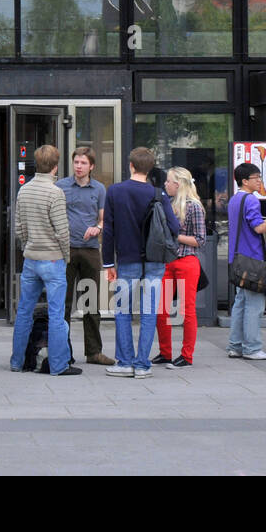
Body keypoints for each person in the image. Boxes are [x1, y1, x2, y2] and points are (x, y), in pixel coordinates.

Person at [102, 147, 181, 378]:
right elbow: (174, 228)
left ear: (131, 165)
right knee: (149, 313)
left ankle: (124, 362)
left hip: (127, 261)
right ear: (150, 168)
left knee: (123, 311)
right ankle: (142, 364)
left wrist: (108, 263)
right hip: (155, 262)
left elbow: (108, 231)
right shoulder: (159, 194)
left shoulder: (115, 191)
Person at [10, 145, 81, 378]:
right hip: (52, 259)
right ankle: (59, 364)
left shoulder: (25, 190)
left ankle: (17, 361)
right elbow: (62, 231)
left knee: (23, 311)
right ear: (55, 166)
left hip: (31, 257)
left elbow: (19, 227)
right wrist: (65, 256)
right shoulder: (55, 192)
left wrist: (30, 244)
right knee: (57, 314)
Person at [55, 147, 111, 367]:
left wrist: (97, 228)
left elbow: (103, 219)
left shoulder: (99, 189)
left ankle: (94, 352)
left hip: (90, 250)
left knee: (92, 303)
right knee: (64, 303)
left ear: (92, 166)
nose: (78, 166)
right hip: (66, 250)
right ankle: (63, 352)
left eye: (83, 163)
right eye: (76, 162)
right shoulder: (61, 187)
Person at [226, 162, 266, 361]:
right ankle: (252, 348)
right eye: (256, 178)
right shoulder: (251, 200)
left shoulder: (235, 199)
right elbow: (257, 229)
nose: (259, 181)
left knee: (240, 303)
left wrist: (262, 223)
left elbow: (249, 225)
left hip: (238, 259)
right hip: (253, 259)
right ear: (244, 181)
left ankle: (235, 346)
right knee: (255, 306)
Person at [154, 166, 206, 369]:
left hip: (186, 261)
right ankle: (165, 352)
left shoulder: (193, 206)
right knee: (161, 309)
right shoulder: (166, 203)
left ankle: (187, 355)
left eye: (168, 181)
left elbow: (200, 240)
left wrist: (174, 236)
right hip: (168, 261)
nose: (165, 184)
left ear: (178, 184)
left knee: (187, 310)